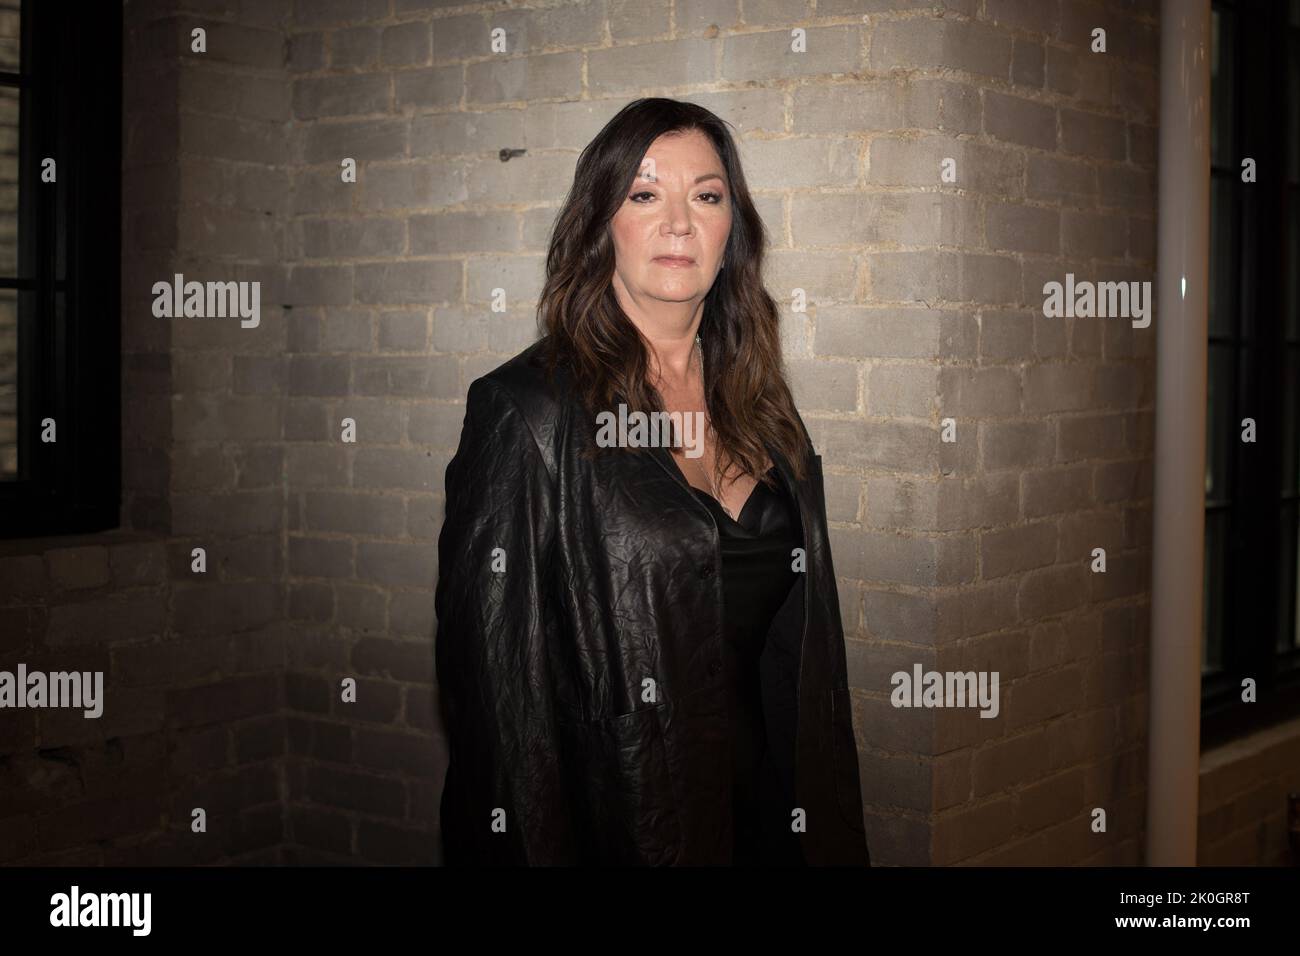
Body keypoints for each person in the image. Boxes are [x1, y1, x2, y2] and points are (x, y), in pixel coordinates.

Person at [434, 97, 870, 867]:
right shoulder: (527, 414)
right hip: (626, 827)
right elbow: (503, 723)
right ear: (601, 224)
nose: (679, 222)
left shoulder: (764, 403)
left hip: (769, 819)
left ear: (733, 227)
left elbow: (809, 660)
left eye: (706, 195)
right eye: (644, 195)